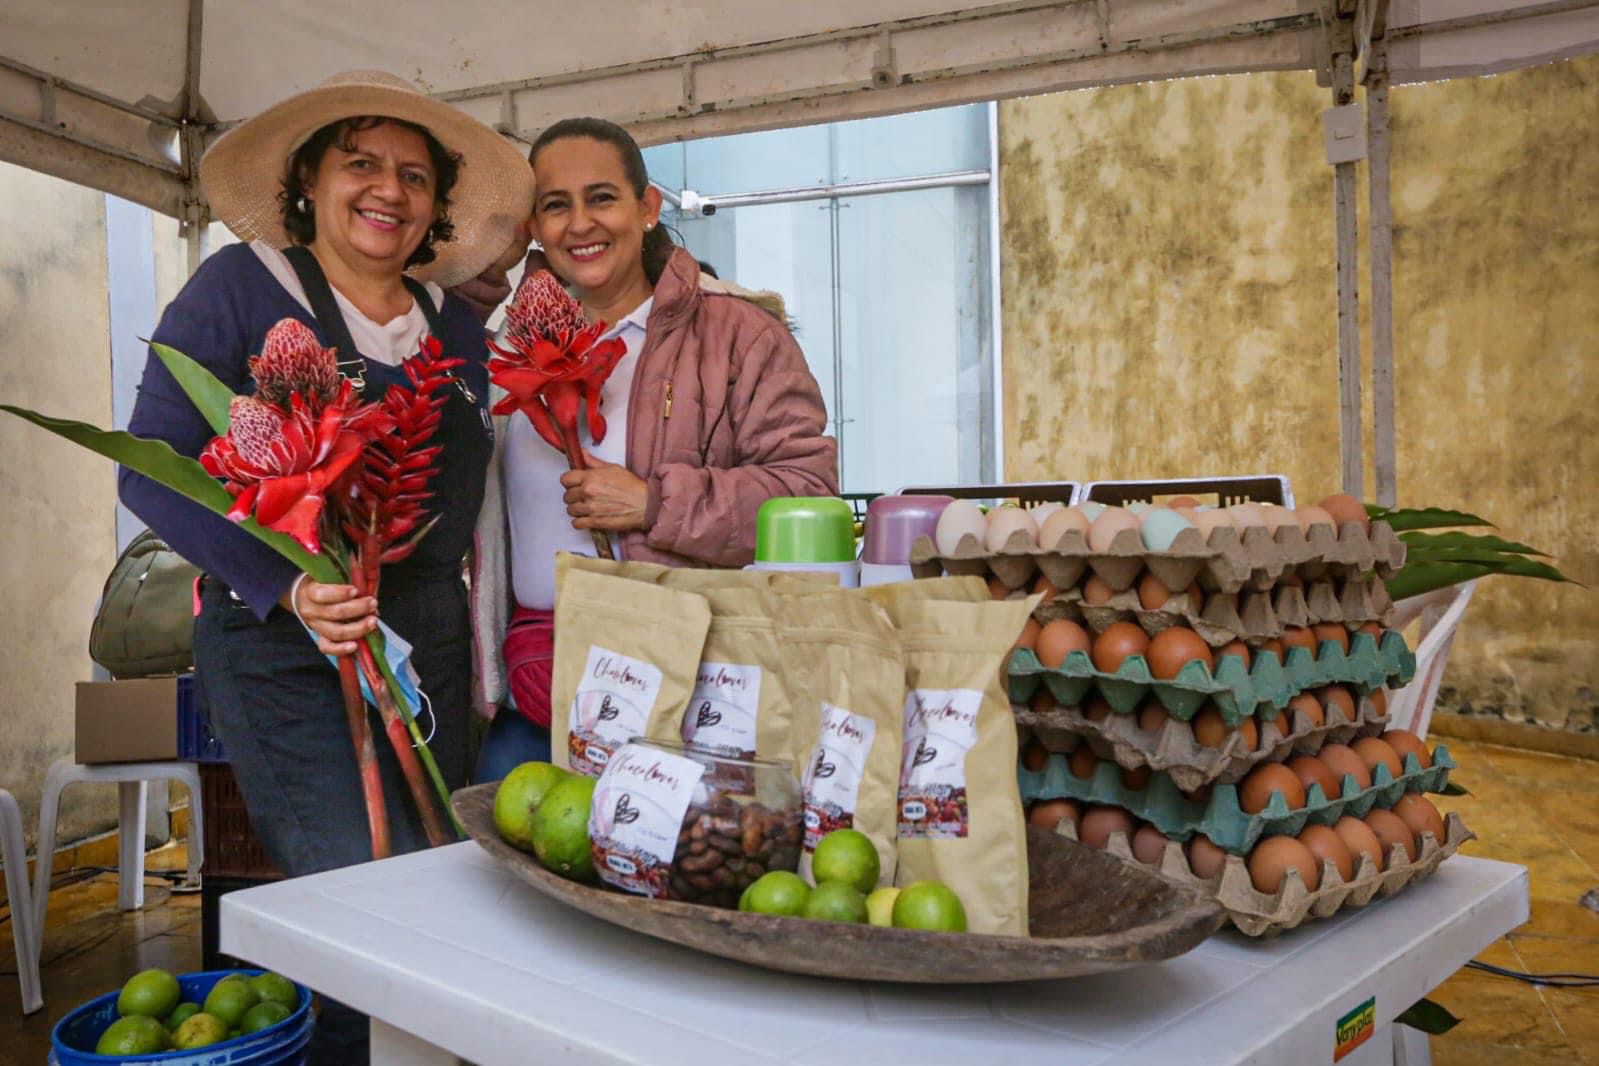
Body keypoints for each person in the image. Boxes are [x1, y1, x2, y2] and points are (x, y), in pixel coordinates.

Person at [118, 70, 533, 1065]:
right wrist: (290, 586)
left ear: (436, 206)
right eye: (360, 163)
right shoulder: (241, 287)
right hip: (283, 645)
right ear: (308, 181)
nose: (388, 189)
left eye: (414, 175)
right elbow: (155, 466)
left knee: (437, 886)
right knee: (353, 888)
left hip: (426, 648)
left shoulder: (458, 330)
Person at [470, 118, 838, 779]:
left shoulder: (738, 333)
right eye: (556, 205)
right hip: (539, 682)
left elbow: (807, 490)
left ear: (646, 208)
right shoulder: (502, 351)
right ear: (535, 228)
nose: (580, 223)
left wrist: (656, 504)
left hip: (694, 684)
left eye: (601, 198)